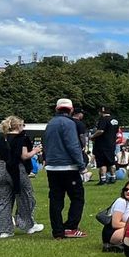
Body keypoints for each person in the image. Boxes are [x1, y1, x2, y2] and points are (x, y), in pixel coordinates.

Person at [0, 115, 44, 238]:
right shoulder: (22, 138)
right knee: (26, 198)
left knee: (3, 200)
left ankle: (4, 230)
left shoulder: (0, 139)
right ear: (19, 126)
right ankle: (28, 225)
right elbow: (24, 156)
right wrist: (36, 150)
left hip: (2, 169)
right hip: (17, 170)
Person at [44, 97, 87, 239]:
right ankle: (70, 227)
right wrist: (81, 166)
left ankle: (57, 231)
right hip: (68, 166)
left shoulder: (50, 123)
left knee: (56, 199)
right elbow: (73, 146)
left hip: (52, 167)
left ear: (56, 109)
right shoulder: (69, 124)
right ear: (71, 110)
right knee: (77, 197)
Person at [101, 180, 129, 250]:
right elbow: (115, 224)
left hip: (123, 230)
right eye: (126, 189)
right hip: (112, 232)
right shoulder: (121, 202)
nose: (128, 192)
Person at [91, 105, 120, 185]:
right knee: (111, 162)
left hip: (102, 144)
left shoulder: (103, 119)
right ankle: (113, 177)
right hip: (111, 144)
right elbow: (116, 131)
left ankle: (103, 179)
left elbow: (101, 130)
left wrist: (92, 136)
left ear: (101, 111)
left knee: (102, 163)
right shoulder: (115, 120)